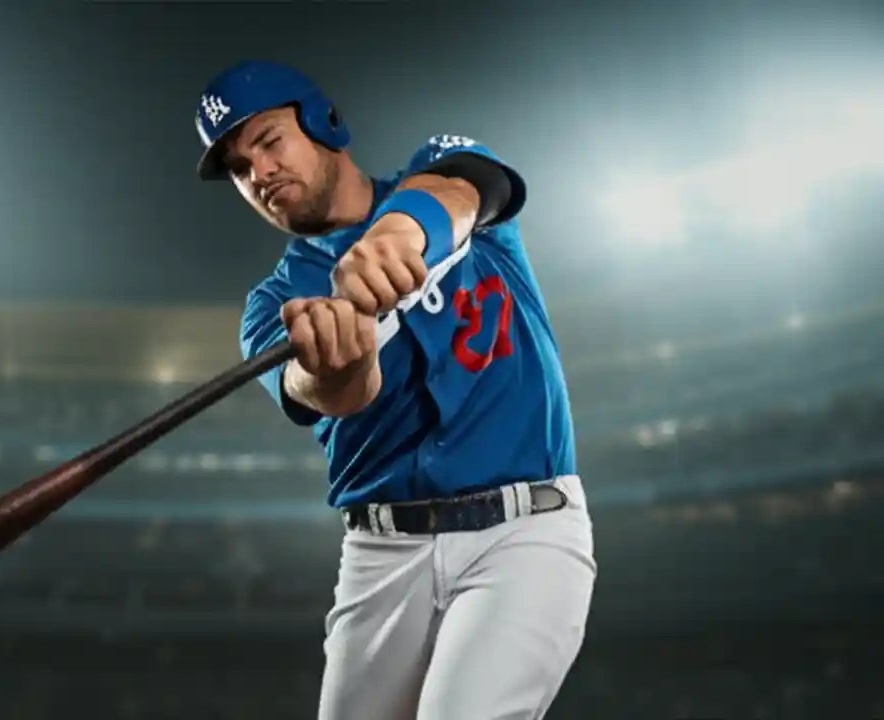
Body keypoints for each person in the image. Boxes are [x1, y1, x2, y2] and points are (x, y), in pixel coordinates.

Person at [194, 60, 597, 719]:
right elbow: (324, 394)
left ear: (325, 123)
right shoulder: (273, 304)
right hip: (382, 556)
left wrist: (396, 232)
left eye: (268, 141)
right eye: (239, 169)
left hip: (523, 533)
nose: (259, 174)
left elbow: (466, 189)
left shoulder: (439, 173)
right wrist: (338, 366)